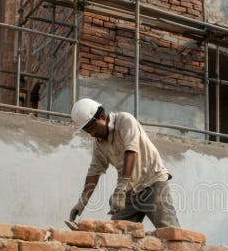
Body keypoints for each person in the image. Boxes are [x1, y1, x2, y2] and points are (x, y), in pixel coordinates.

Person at [69, 98, 180, 228]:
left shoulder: (125, 121)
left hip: (153, 183)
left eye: (92, 127)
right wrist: (82, 201)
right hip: (129, 191)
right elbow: (94, 171)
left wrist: (120, 188)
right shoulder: (99, 144)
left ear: (103, 117)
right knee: (116, 233)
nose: (92, 133)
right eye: (87, 131)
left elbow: (131, 151)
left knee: (171, 233)